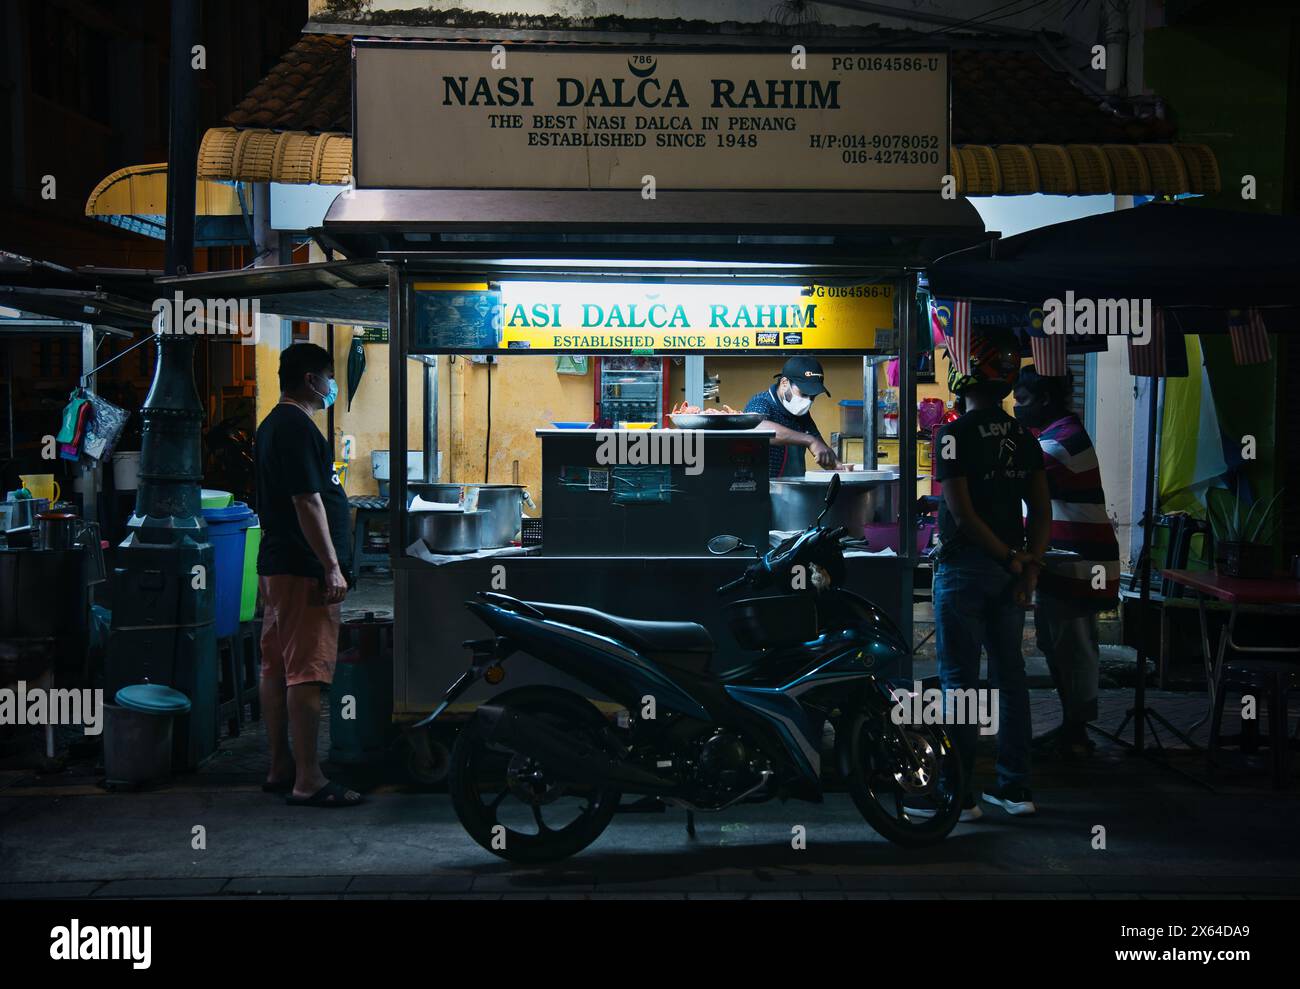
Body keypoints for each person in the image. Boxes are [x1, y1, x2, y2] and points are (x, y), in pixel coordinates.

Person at [929, 328, 1051, 819]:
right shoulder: (1024, 437)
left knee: (959, 683)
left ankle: (958, 795)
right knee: (1010, 677)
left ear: (963, 376)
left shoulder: (951, 436)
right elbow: (1040, 511)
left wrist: (1009, 558)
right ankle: (1015, 790)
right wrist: (1027, 566)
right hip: (1010, 572)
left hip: (966, 570)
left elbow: (962, 515)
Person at [255, 343, 362, 807]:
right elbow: (306, 500)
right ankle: (308, 779)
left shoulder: (272, 425)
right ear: (310, 380)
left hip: (279, 564)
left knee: (277, 668)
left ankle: (282, 766)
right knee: (306, 674)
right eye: (328, 377)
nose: (331, 386)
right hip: (302, 569)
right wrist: (331, 566)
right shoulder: (295, 427)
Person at [1013, 366, 1120, 759]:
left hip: (1079, 566)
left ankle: (1076, 736)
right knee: (1059, 645)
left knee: (1072, 649)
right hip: (1065, 565)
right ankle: (1072, 730)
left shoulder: (1061, 443)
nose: (1017, 408)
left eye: (1022, 400)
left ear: (1044, 400)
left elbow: (1016, 480)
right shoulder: (1056, 435)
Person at [744, 355, 839, 478]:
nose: (808, 401)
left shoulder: (802, 415)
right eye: (804, 394)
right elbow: (755, 427)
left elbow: (821, 450)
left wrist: (837, 466)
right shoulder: (761, 402)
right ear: (784, 383)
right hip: (762, 486)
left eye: (813, 397)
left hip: (792, 488)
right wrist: (809, 440)